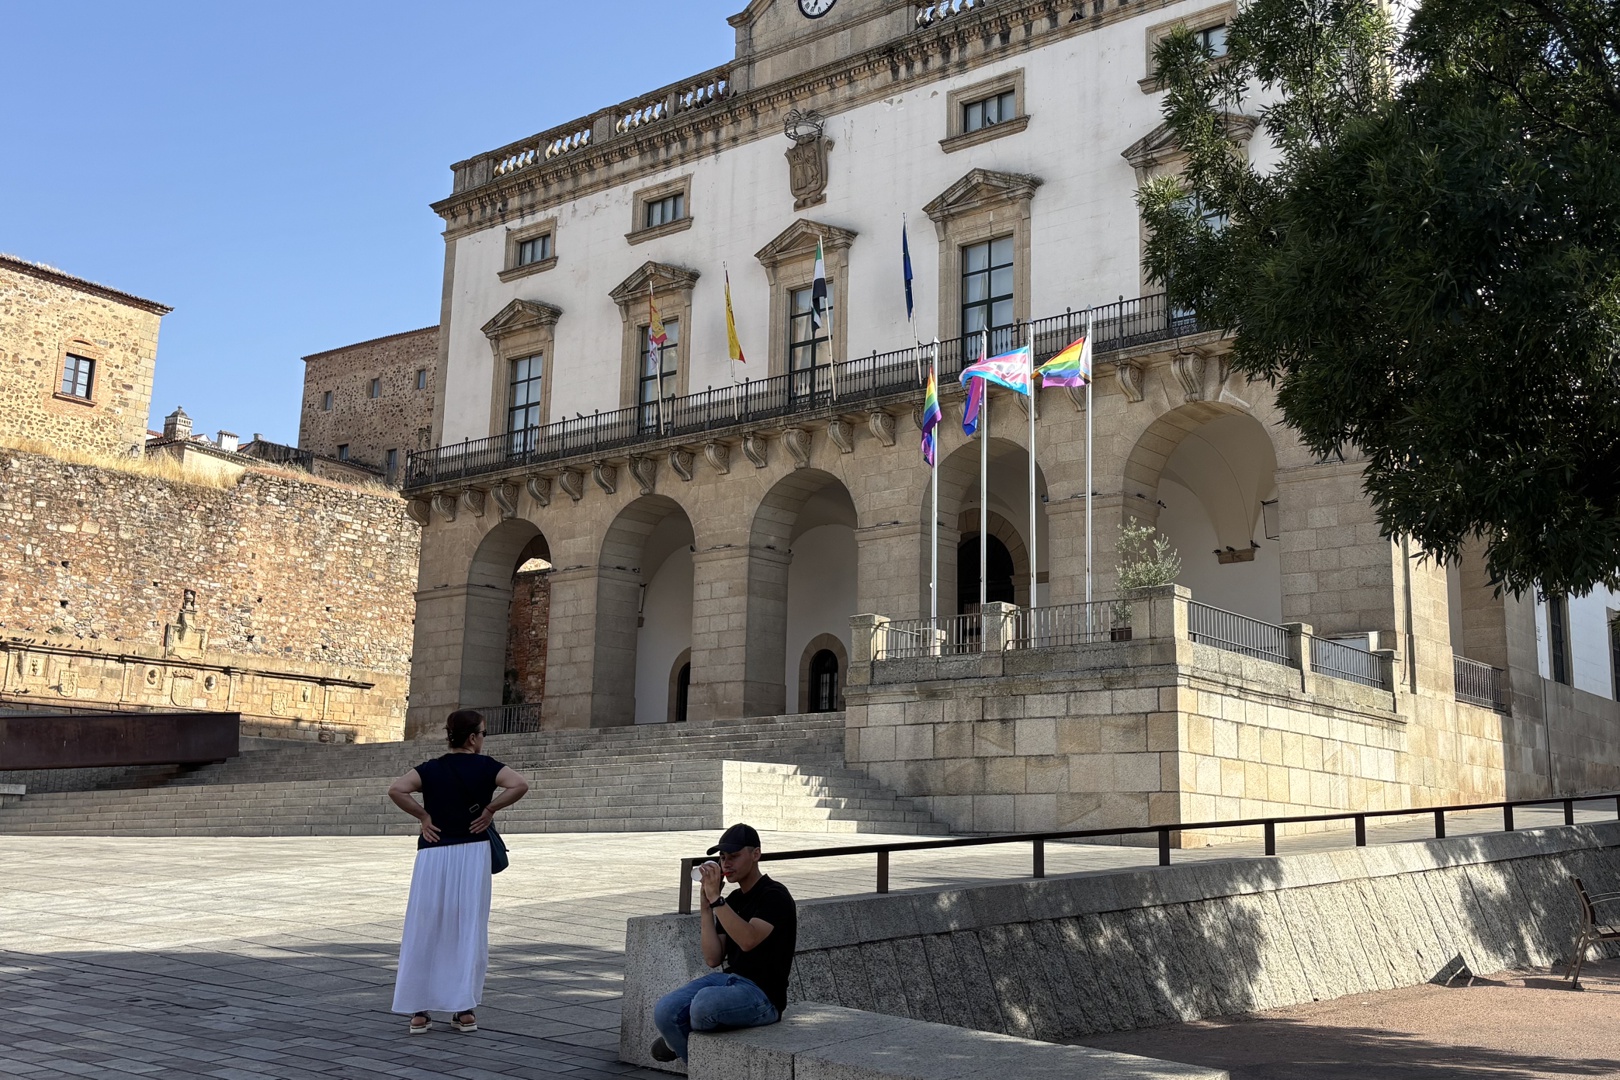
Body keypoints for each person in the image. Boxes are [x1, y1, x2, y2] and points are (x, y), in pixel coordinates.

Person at [387, 709, 529, 1035]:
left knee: (425, 925)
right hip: (472, 851)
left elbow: (397, 789)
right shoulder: (487, 767)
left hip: (433, 852)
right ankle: (463, 1010)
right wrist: (490, 809)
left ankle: (419, 1012)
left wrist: (424, 817)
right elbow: (519, 785)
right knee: (467, 927)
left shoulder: (431, 768)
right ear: (473, 738)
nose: (483, 739)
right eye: (483, 733)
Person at [649, 823, 797, 1062]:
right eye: (723, 857)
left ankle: (676, 1042)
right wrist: (706, 907)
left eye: (734, 856)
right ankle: (696, 1066)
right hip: (730, 980)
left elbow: (748, 939)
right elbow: (712, 958)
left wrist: (717, 899)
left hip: (764, 996)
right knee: (665, 1009)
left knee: (704, 1005)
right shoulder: (734, 899)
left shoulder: (774, 895)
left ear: (756, 854)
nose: (726, 864)